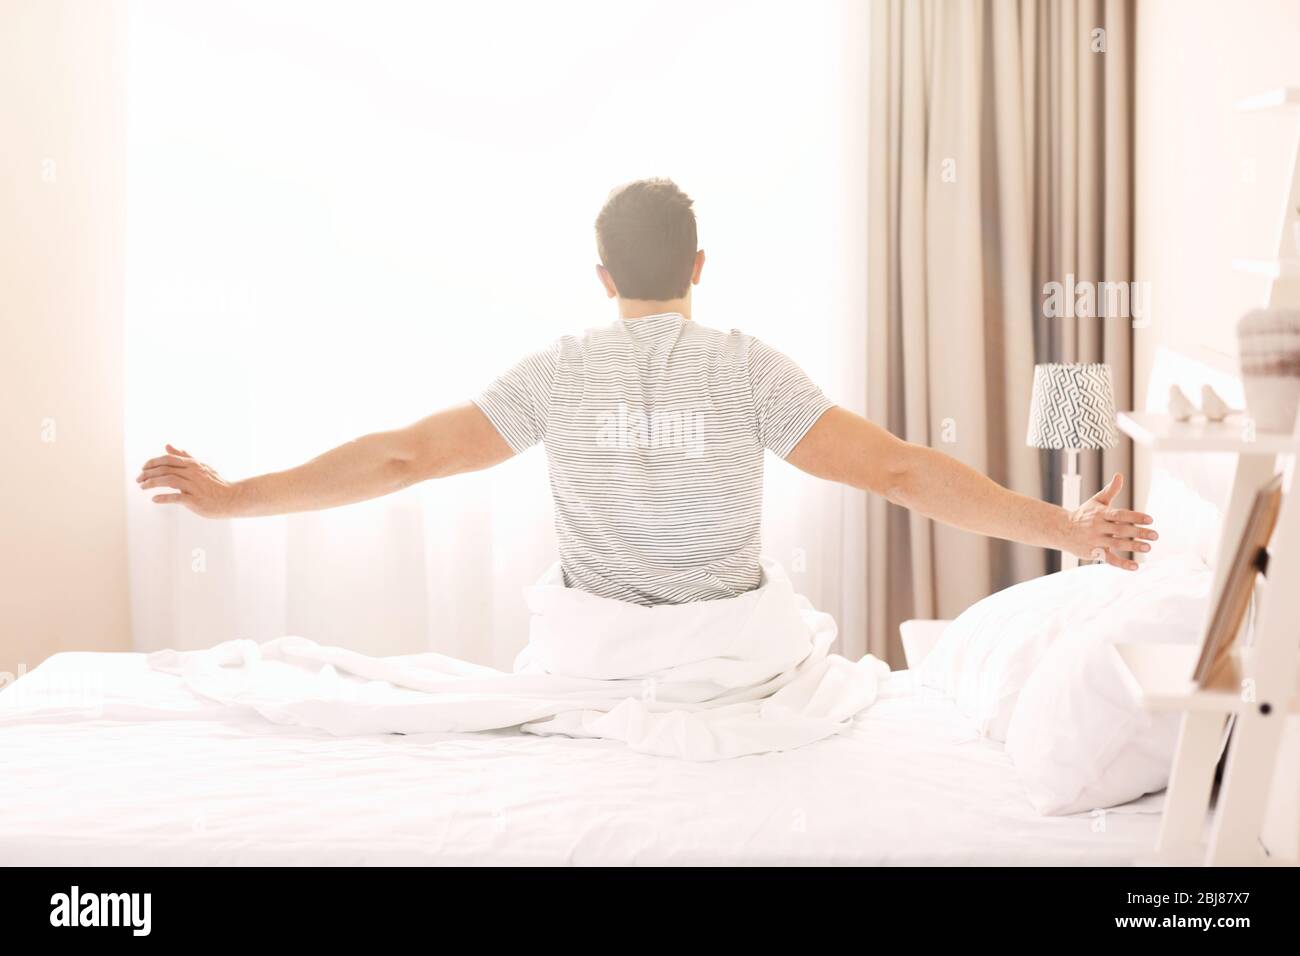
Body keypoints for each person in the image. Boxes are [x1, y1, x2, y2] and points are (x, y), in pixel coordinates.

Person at [135, 178, 1156, 606]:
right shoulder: (752, 368)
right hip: (730, 661)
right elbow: (897, 468)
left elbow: (404, 454)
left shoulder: (559, 371)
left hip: (595, 663)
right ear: (700, 266)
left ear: (603, 276)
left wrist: (233, 496)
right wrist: (1068, 529)